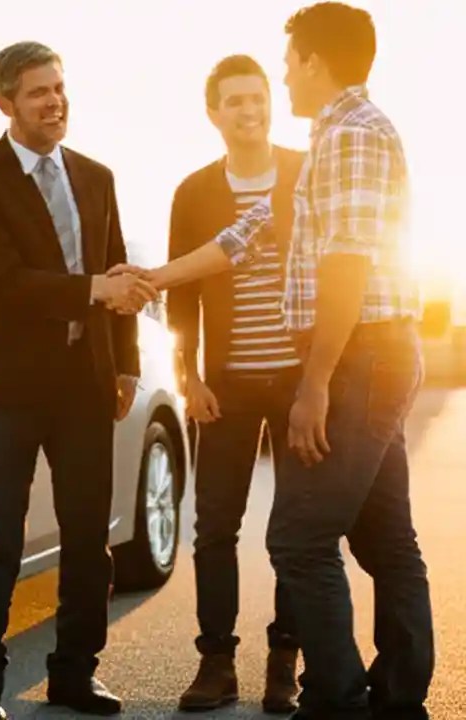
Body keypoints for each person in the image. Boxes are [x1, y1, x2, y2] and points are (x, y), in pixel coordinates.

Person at [117, 4, 433, 718]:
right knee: (385, 534)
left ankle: (335, 695)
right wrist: (151, 282)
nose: (283, 78)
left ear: (317, 62)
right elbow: (242, 236)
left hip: (360, 358)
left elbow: (348, 265)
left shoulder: (350, 136)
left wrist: (316, 381)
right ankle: (396, 693)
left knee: (299, 535)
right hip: (356, 358)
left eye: (287, 64)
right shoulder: (332, 139)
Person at [0, 40, 158, 720]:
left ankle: (74, 674)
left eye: (59, 87)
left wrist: (125, 362)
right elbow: (2, 285)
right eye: (38, 91)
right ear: (5, 103)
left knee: (89, 532)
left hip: (85, 383)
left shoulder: (96, 177)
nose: (54, 100)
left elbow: (118, 272)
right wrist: (93, 289)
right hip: (7, 387)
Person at [167, 54, 304, 715]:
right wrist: (188, 377)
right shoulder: (194, 191)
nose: (251, 110)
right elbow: (181, 294)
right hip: (225, 384)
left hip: (300, 382)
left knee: (298, 527)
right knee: (215, 525)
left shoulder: (306, 172)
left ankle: (286, 663)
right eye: (236, 102)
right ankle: (216, 664)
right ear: (213, 113)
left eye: (259, 97)